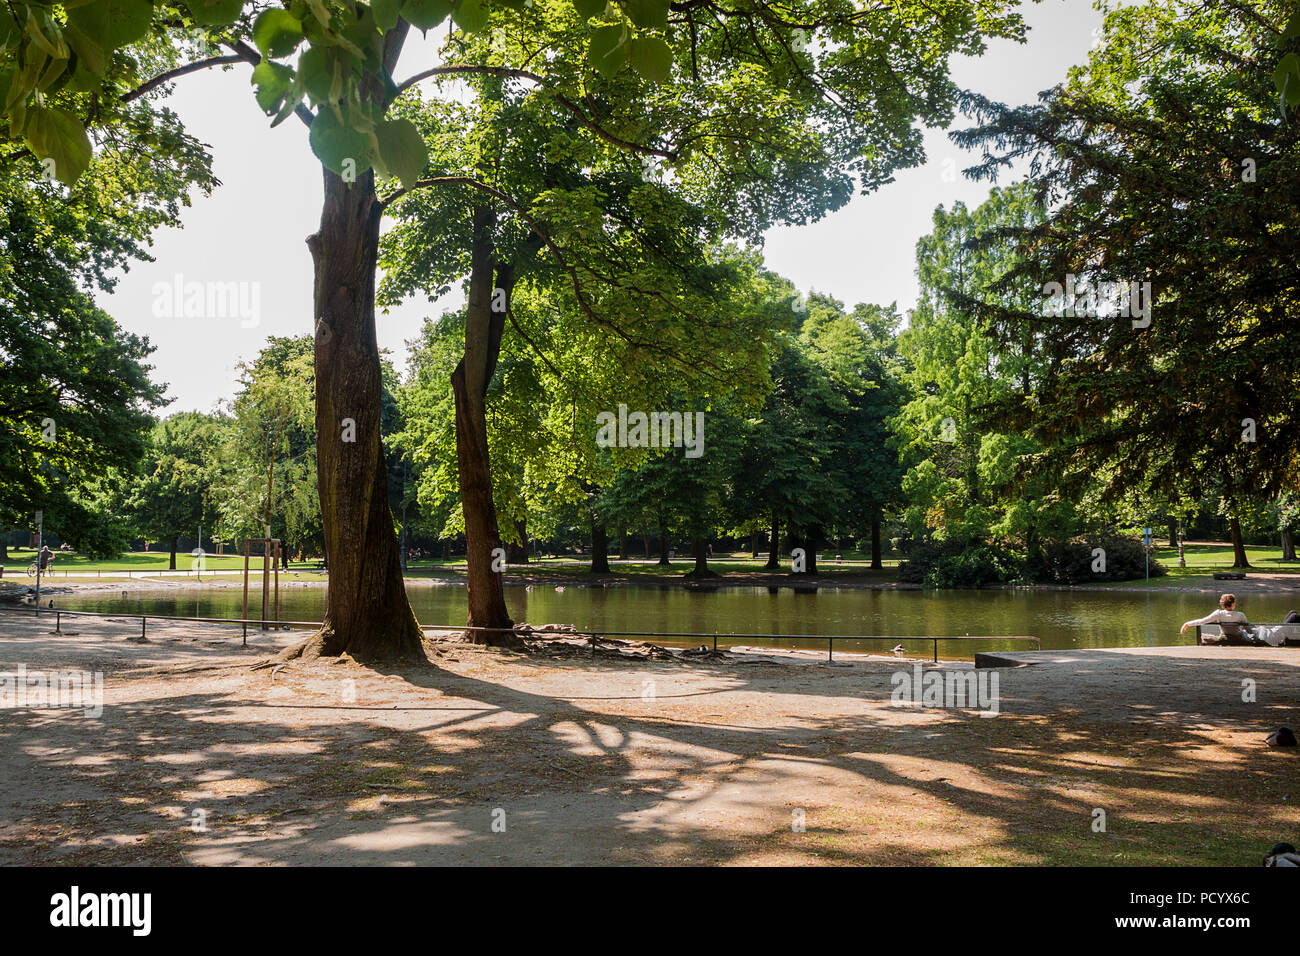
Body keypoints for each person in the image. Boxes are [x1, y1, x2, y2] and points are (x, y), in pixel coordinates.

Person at [1181, 593, 1266, 646]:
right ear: (1233, 604)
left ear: (1223, 604)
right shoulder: (1240, 615)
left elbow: (1203, 621)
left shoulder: (1219, 613)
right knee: (1259, 630)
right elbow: (1249, 630)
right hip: (1238, 638)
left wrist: (1188, 623)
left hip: (1225, 637)